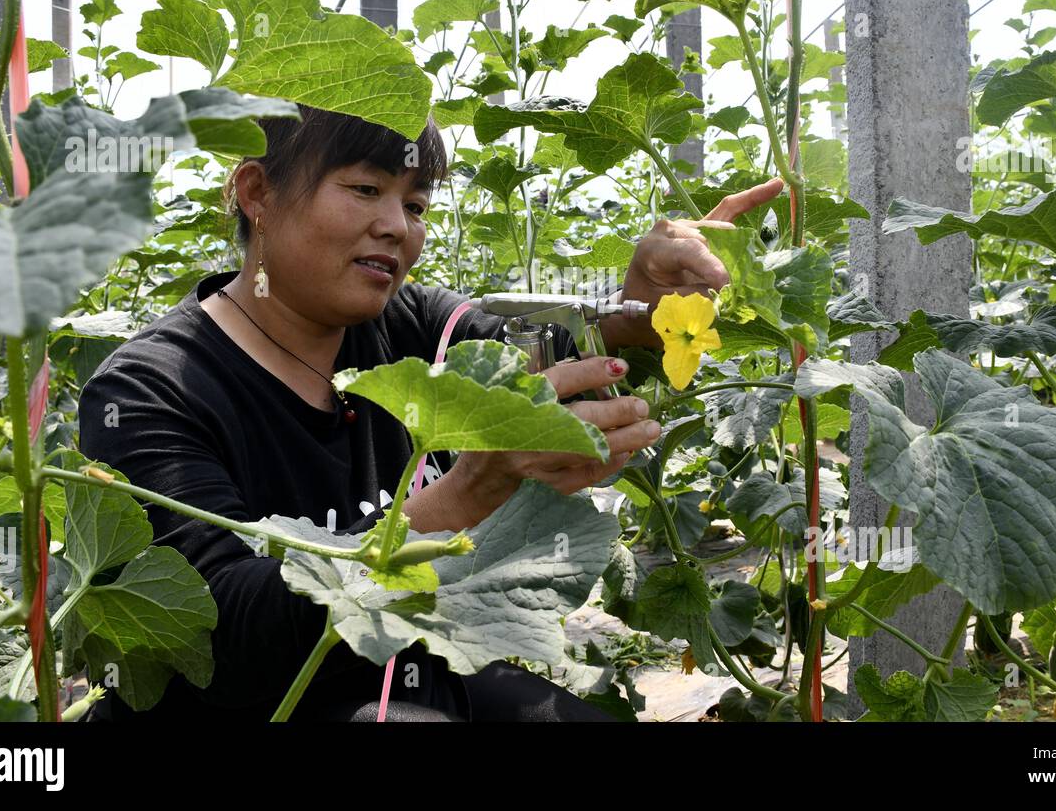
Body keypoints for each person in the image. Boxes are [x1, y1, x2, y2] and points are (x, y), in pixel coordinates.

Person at [77, 104, 785, 721]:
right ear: (257, 191)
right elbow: (215, 639)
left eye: (415, 204)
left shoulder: (407, 324)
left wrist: (640, 306)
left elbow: (531, 351)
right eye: (364, 189)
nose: (395, 226)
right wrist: (467, 495)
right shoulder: (150, 390)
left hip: (404, 674)